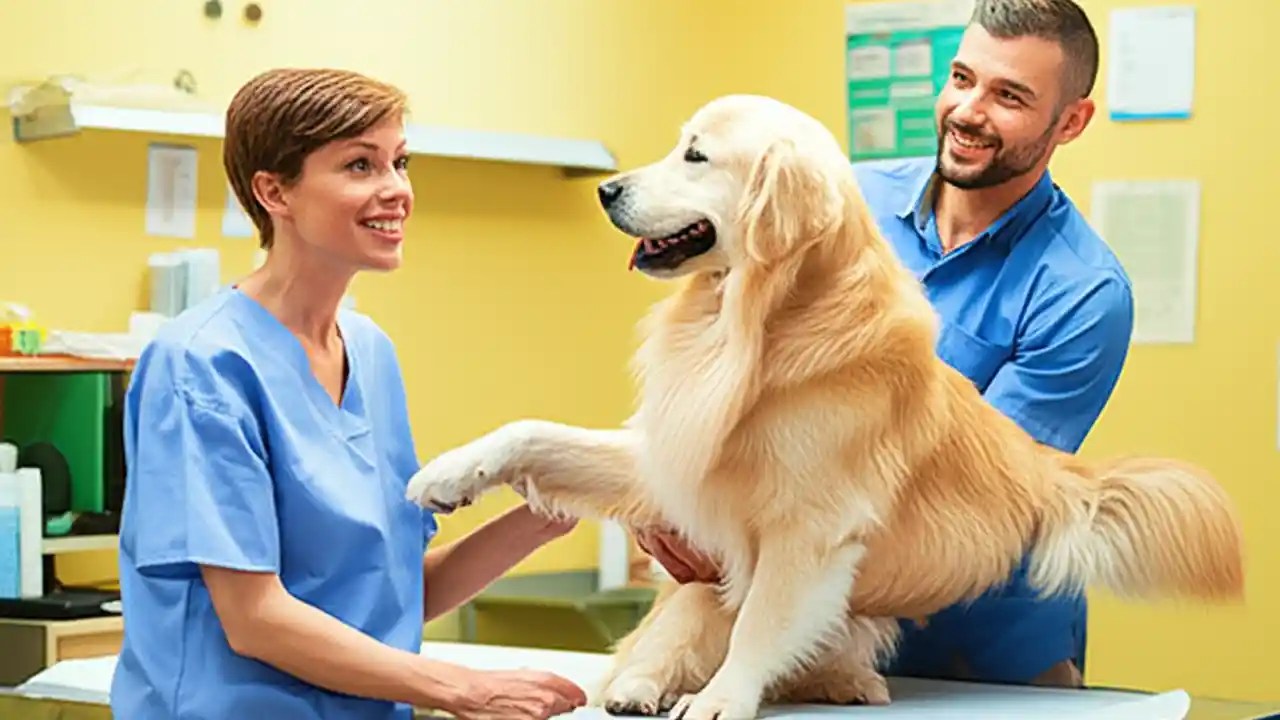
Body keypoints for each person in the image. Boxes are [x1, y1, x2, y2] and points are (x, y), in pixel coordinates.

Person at [636, 0, 1133, 689]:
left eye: (1009, 96)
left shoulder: (1081, 292)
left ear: (1070, 121)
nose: (968, 110)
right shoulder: (844, 201)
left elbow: (980, 491)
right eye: (963, 78)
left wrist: (736, 531)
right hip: (796, 638)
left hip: (981, 658)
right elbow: (723, 372)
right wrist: (670, 500)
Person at [110, 68, 588, 720]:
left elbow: (391, 596)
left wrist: (557, 507)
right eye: (360, 166)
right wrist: (462, 688)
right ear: (274, 191)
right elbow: (255, 618)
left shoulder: (369, 352)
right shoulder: (202, 364)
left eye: (400, 162)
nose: (396, 191)